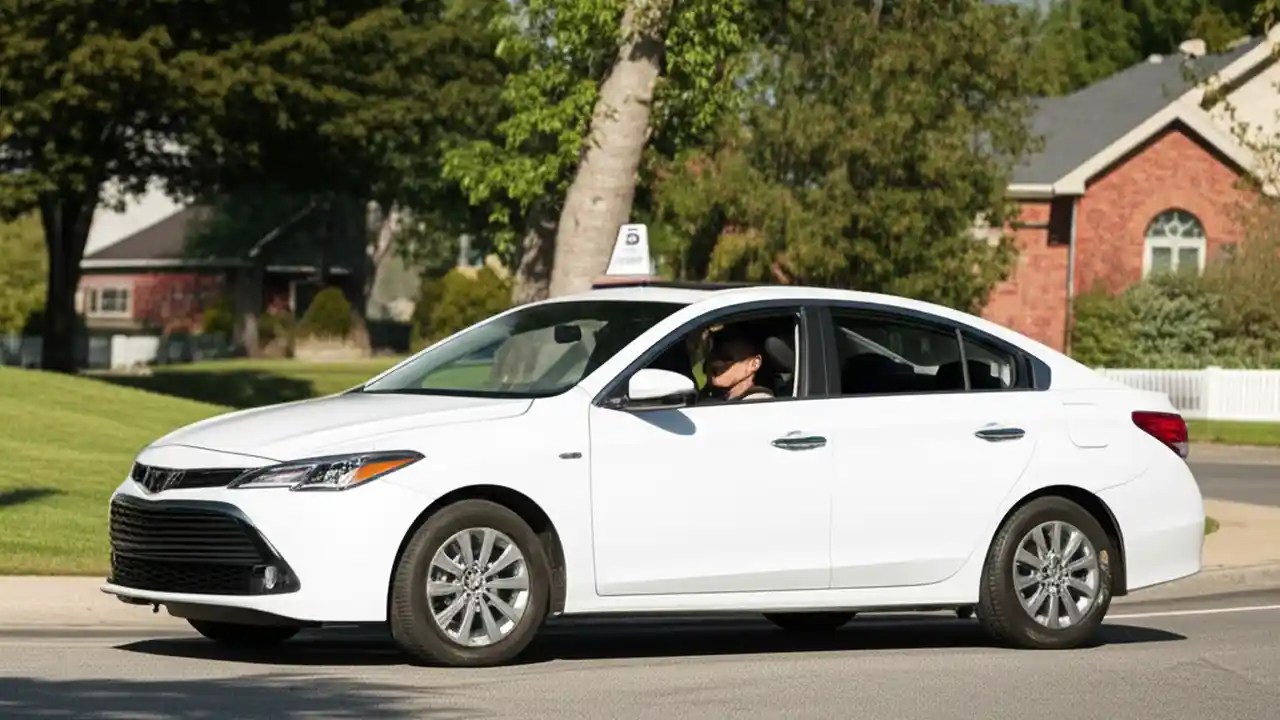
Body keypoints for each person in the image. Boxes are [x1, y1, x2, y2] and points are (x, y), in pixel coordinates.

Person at [701, 326, 775, 402]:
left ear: (754, 364)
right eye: (713, 357)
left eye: (726, 358)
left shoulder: (758, 403)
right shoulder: (713, 399)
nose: (715, 364)